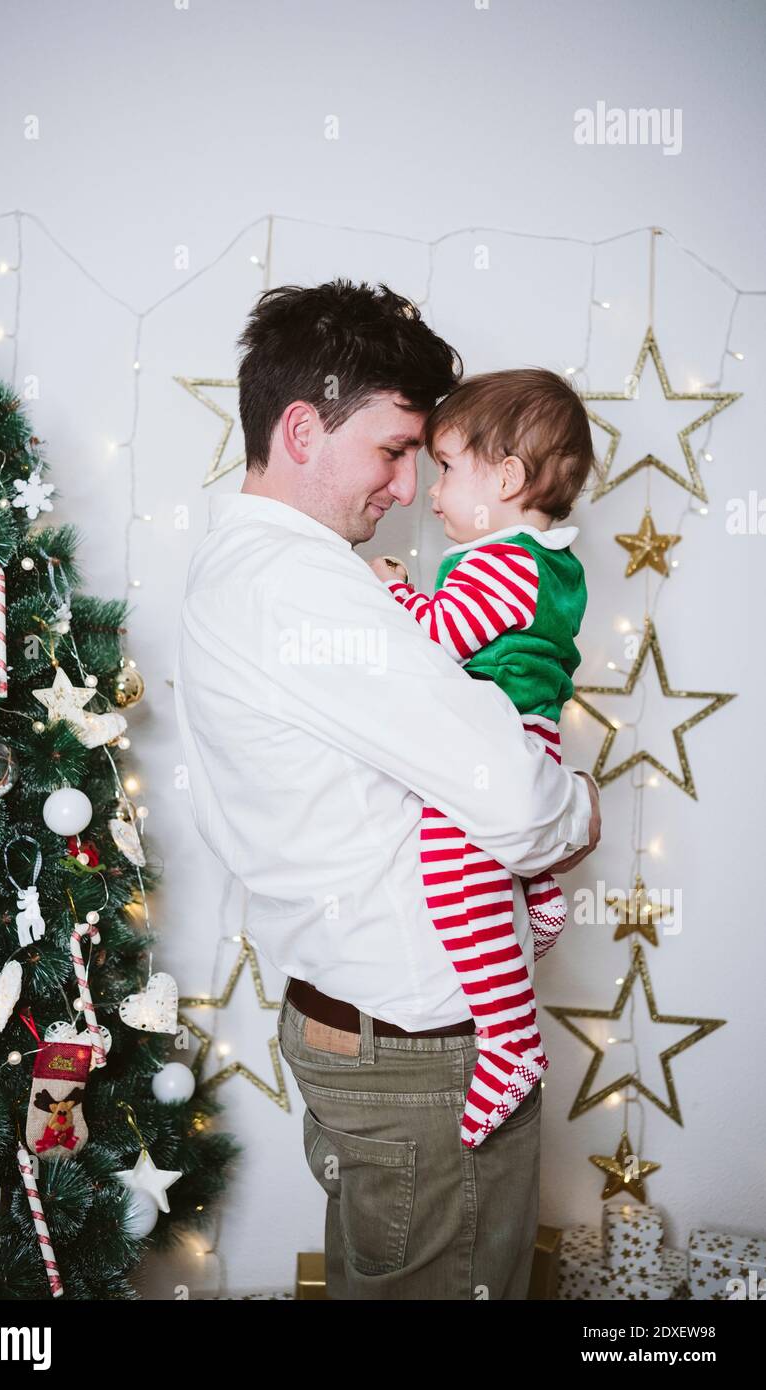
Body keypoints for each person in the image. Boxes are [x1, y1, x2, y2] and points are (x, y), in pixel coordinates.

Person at [172, 280, 601, 1300]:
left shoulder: (239, 565)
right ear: (302, 428)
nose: (408, 490)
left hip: (357, 1036)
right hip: (415, 1057)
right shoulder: (302, 587)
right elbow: (522, 807)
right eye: (393, 449)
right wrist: (580, 807)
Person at [366, 367, 594, 1149]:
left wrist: (392, 594)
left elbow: (439, 640)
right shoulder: (551, 559)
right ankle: (536, 886)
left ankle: (510, 1043)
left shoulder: (501, 561)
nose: (429, 493)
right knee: (485, 849)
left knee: (451, 866)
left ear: (505, 478)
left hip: (505, 735)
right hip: (531, 733)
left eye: (448, 471)